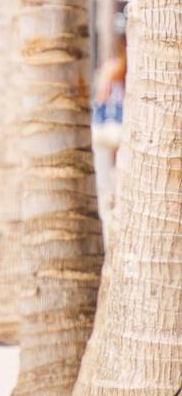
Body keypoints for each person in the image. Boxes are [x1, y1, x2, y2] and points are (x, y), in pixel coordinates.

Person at [92, 32, 126, 241]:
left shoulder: (112, 67)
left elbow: (102, 95)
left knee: (107, 164)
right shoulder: (135, 66)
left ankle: (111, 195)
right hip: (127, 124)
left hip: (112, 125)